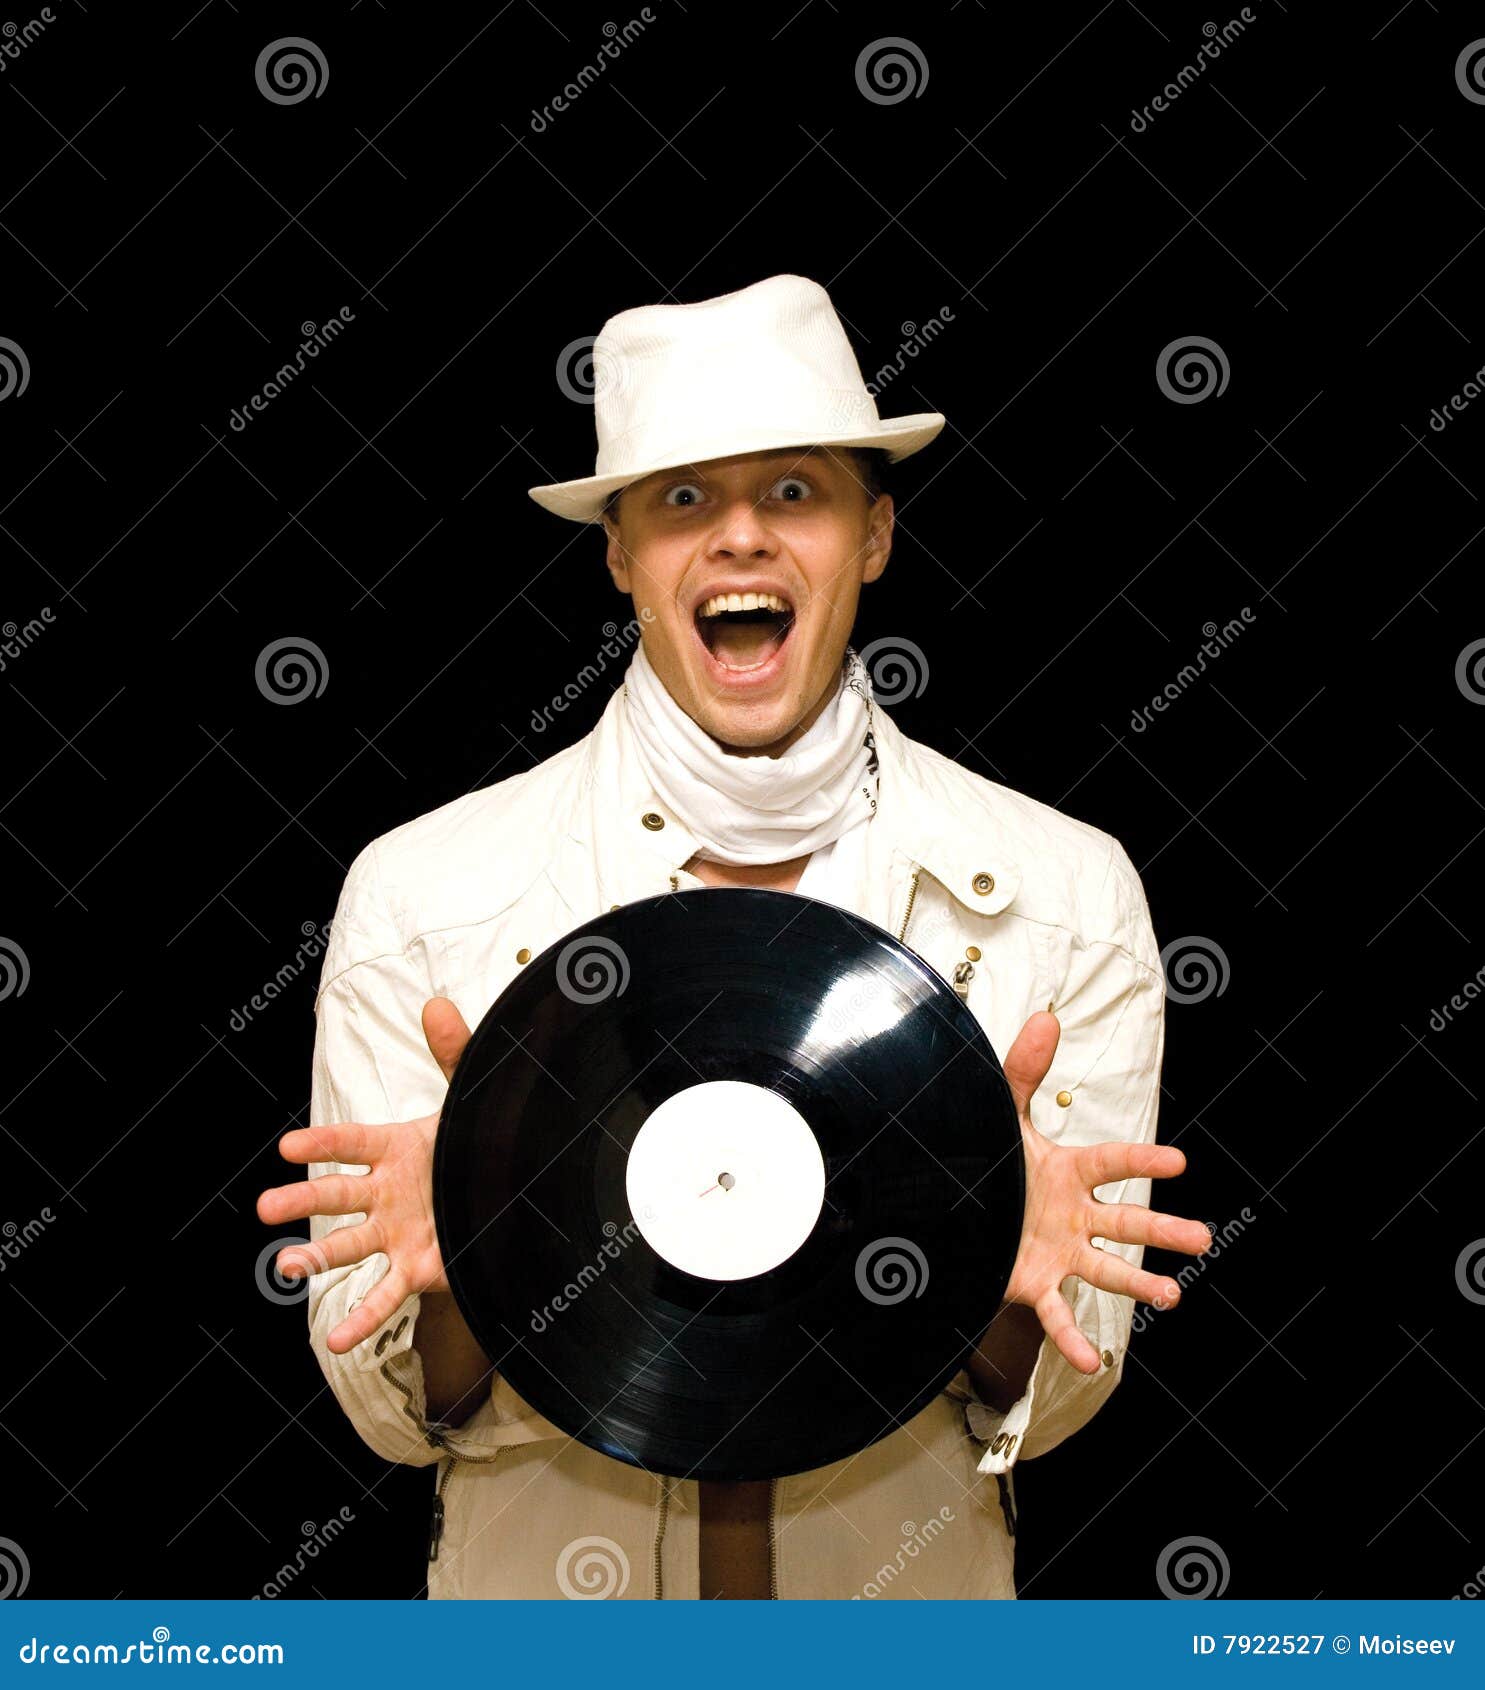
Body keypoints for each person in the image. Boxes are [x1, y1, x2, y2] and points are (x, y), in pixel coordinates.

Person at [256, 274, 1211, 1600]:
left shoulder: (1067, 889)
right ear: (620, 553)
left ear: (873, 534)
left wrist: (986, 1262)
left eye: (795, 492)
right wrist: (482, 1239)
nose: (740, 540)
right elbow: (390, 1414)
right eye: (684, 500)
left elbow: (1052, 1402)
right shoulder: (420, 892)